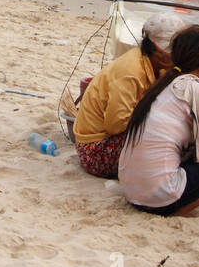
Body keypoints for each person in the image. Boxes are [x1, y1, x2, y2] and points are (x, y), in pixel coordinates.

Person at [117, 27, 199, 216]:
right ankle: (181, 210)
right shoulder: (194, 88)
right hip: (158, 198)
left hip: (131, 191)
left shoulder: (162, 85)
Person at [73, 12, 190, 177]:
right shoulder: (131, 72)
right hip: (96, 149)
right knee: (166, 142)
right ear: (157, 48)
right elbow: (115, 125)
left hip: (112, 140)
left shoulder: (156, 66)